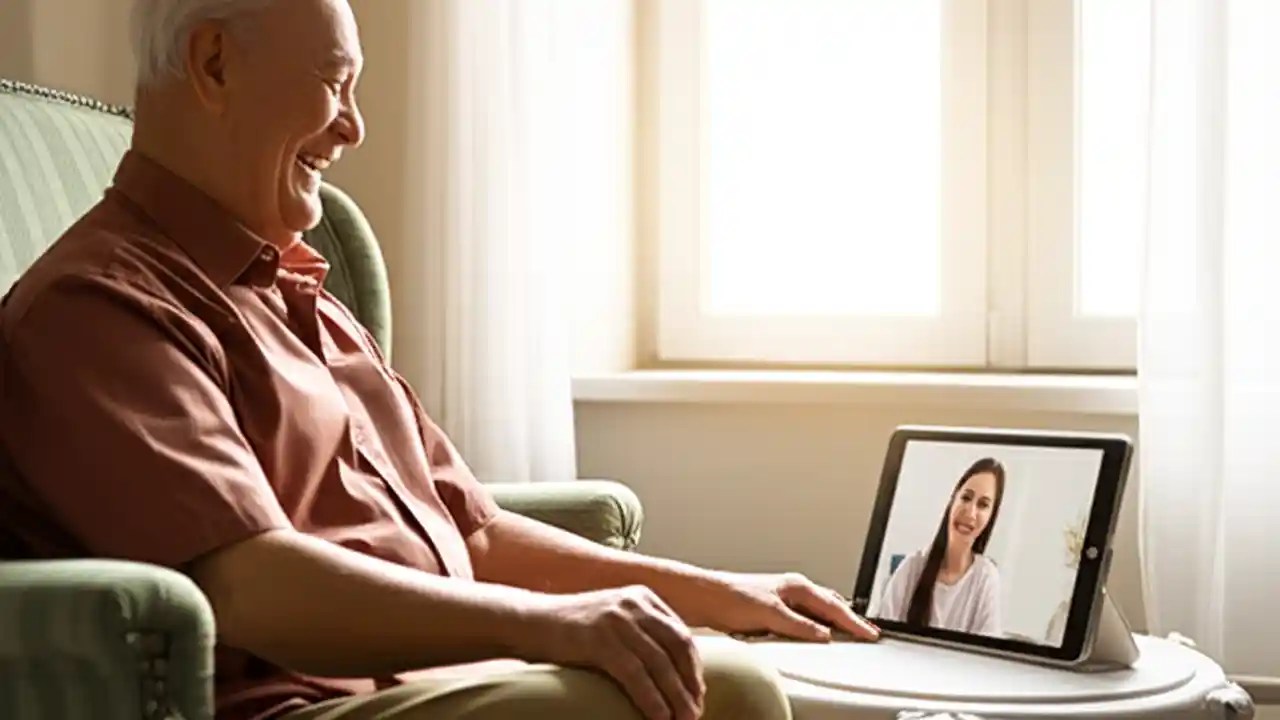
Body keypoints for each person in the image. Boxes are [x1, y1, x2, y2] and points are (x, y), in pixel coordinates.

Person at [0, 1, 882, 719]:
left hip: (437, 677)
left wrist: (722, 593)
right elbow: (253, 588)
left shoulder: (304, 297)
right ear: (215, 65)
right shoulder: (101, 308)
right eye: (335, 85)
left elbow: (476, 532)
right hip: (303, 704)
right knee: (727, 694)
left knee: (782, 672)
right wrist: (555, 627)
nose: (352, 127)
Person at [873, 458, 1005, 638]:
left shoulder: (986, 577)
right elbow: (883, 635)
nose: (971, 513)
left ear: (991, 516)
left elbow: (987, 653)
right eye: (966, 497)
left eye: (983, 505)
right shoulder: (912, 566)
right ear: (952, 500)